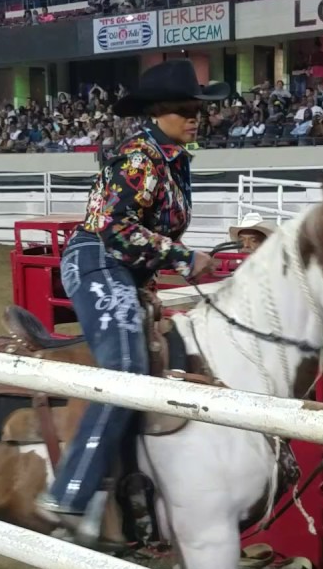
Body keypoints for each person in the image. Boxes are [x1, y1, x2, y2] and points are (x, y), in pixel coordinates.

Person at [35, 59, 230, 543]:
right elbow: (117, 228)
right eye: (186, 109)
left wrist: (155, 277)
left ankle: (134, 495)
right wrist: (183, 256)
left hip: (124, 270)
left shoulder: (169, 158)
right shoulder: (141, 156)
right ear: (159, 111)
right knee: (125, 367)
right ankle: (69, 494)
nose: (195, 117)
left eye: (197, 110)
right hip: (98, 261)